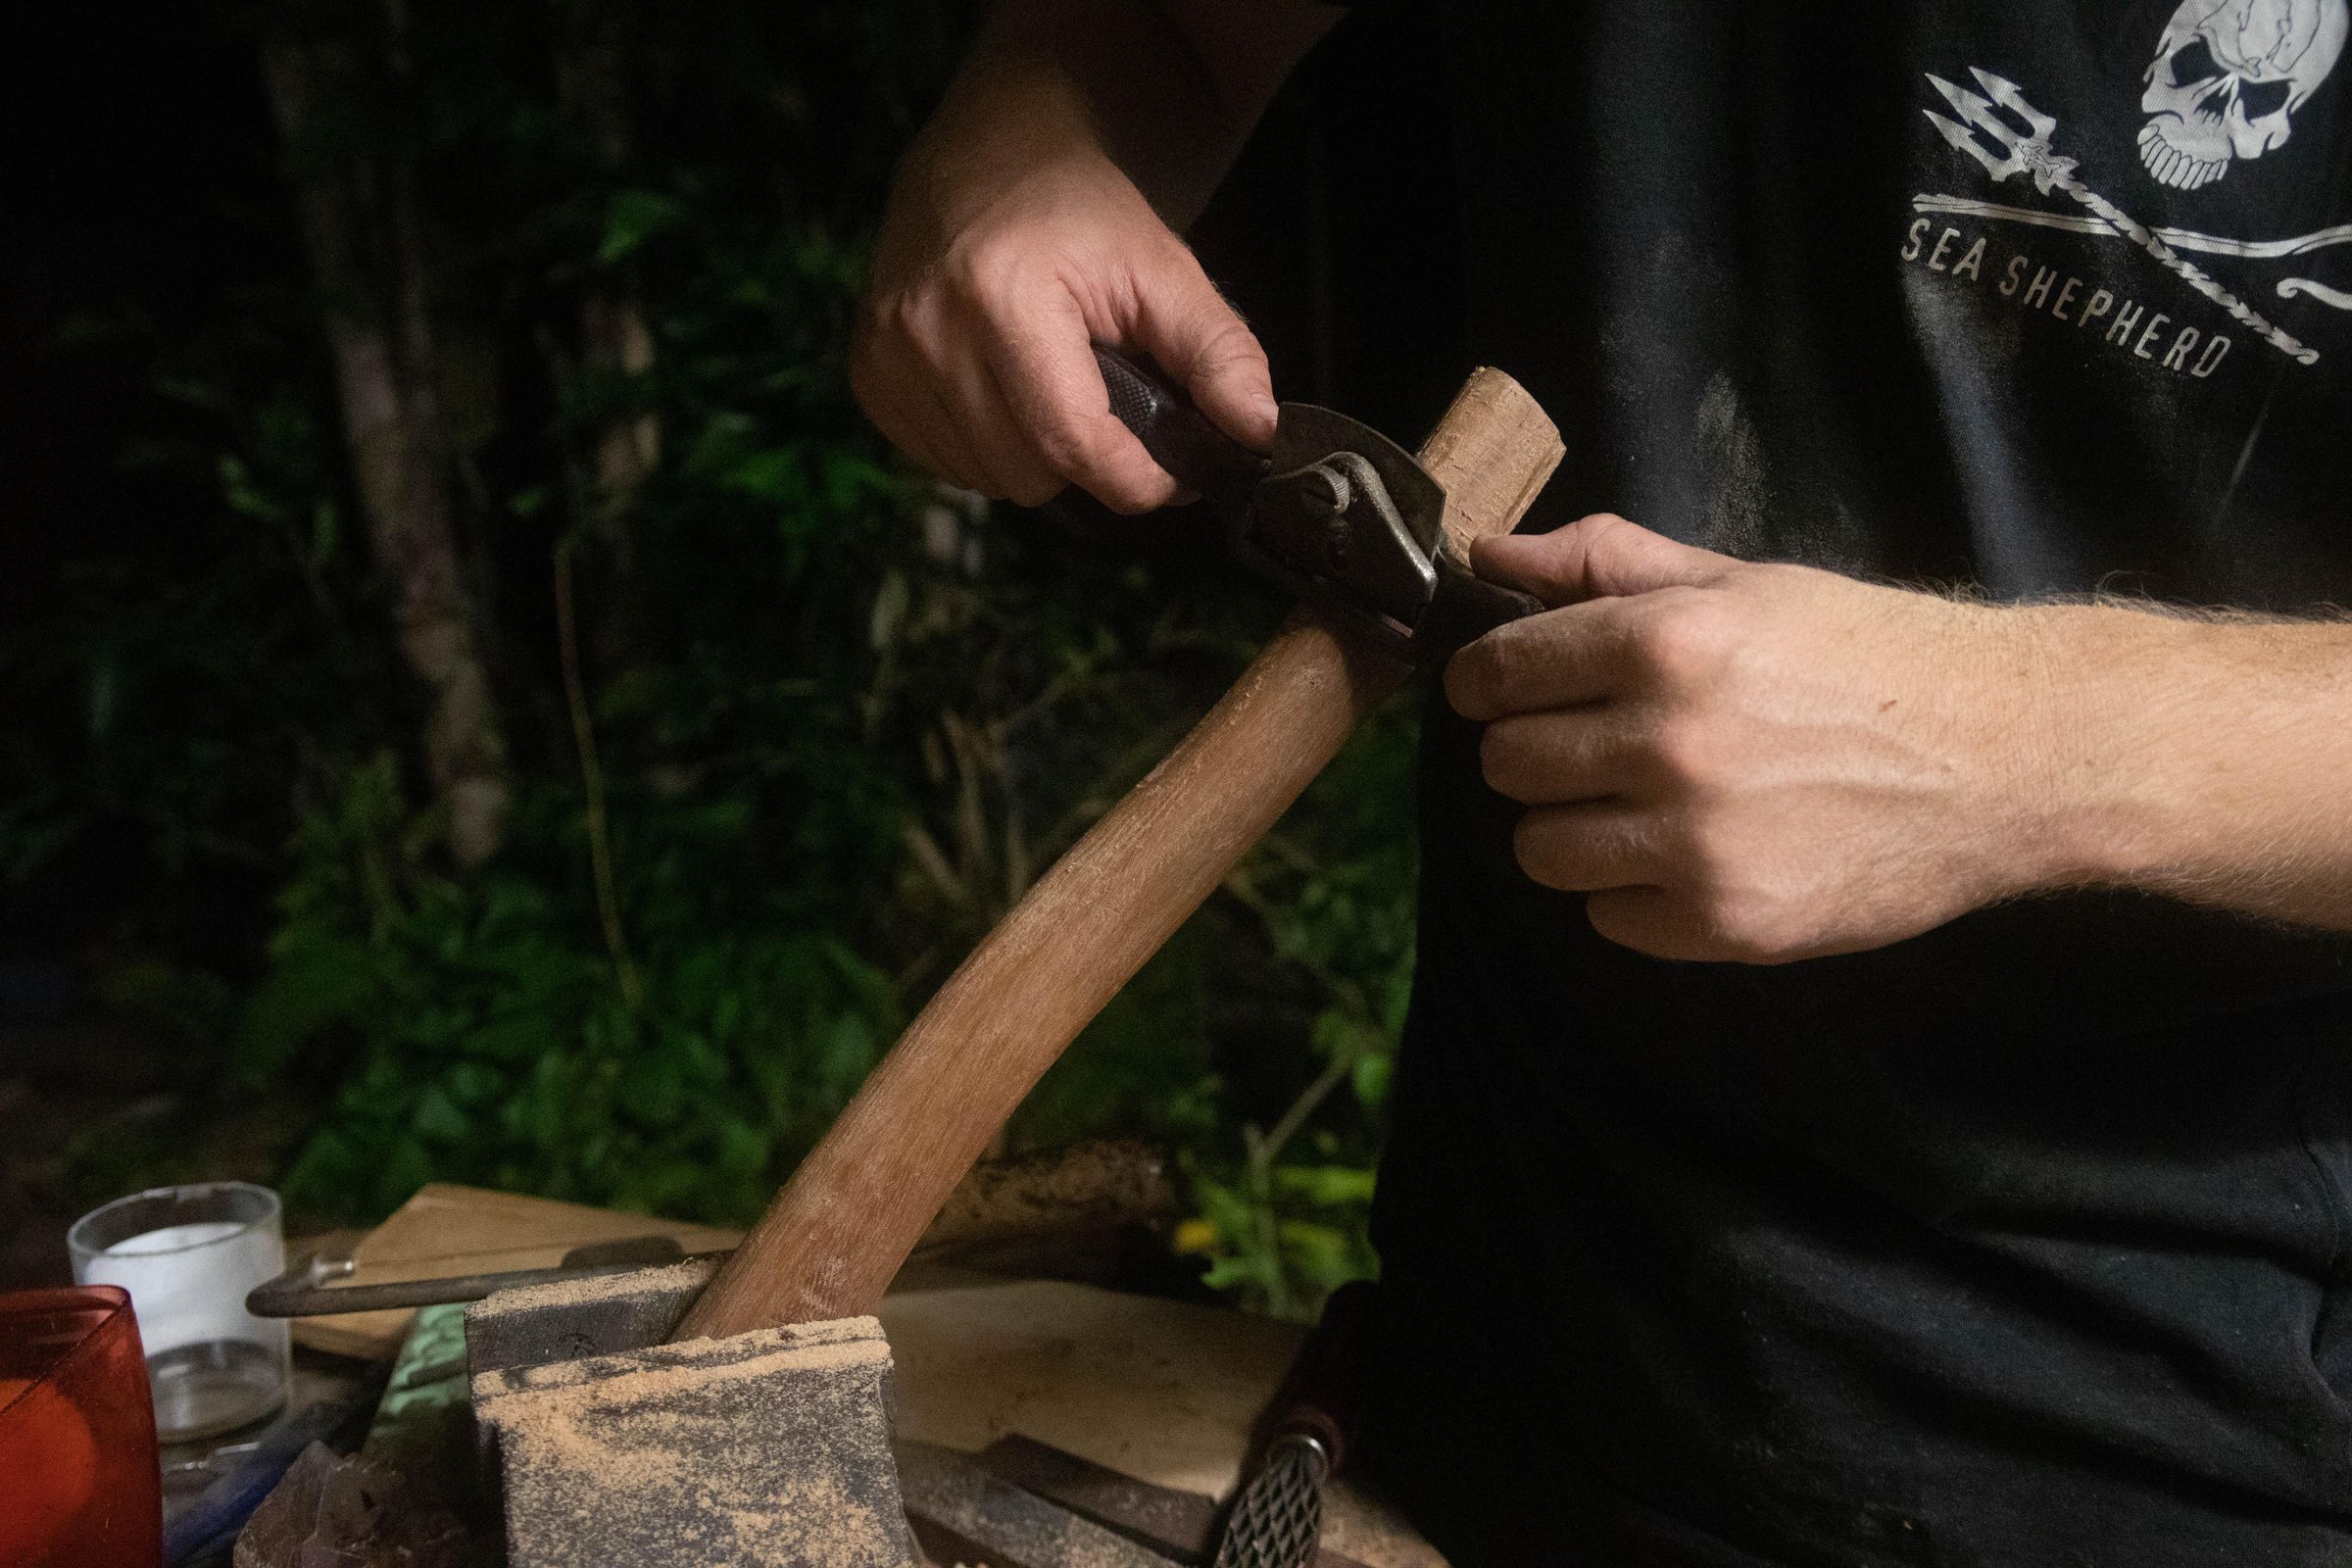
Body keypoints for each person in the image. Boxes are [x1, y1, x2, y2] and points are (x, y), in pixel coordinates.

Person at [849, 1, 2352, 1560]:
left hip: (2187, 1457)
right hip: (1492, 1372)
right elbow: (1168, 31)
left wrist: (2019, 739)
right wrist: (1018, 150)